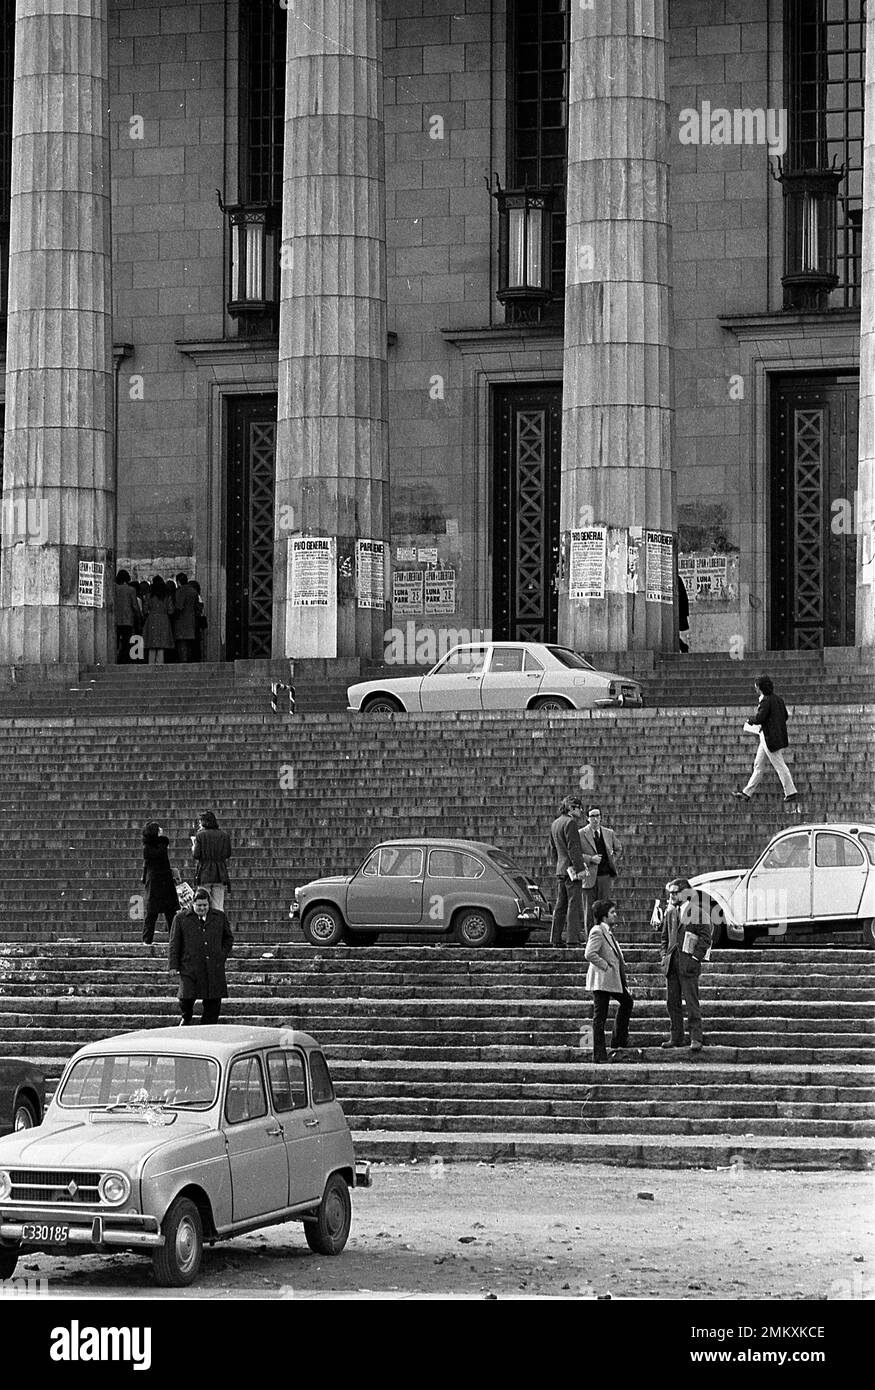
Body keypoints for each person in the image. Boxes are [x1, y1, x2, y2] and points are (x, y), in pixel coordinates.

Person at [660, 877, 712, 1053]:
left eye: (676, 892)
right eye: (671, 893)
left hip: (688, 963)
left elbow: (706, 938)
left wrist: (696, 958)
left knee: (691, 1001)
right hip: (672, 963)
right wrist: (664, 956)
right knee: (672, 1002)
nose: (672, 896)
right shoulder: (670, 913)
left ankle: (696, 1037)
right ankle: (676, 1036)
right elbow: (664, 938)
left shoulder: (698, 912)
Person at [169, 887, 234, 1026]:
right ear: (193, 904)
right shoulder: (180, 918)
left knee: (213, 1001)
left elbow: (228, 938)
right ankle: (186, 1016)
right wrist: (173, 965)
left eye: (205, 905)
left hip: (213, 967)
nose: (202, 908)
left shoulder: (219, 917)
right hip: (190, 967)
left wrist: (221, 954)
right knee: (185, 998)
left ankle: (208, 1027)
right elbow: (174, 943)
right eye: (199, 905)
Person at [733, 673, 798, 804]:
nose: (755, 688)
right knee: (758, 765)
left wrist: (749, 720)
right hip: (771, 737)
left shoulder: (765, 701)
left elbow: (759, 718)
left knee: (779, 765)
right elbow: (784, 716)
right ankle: (747, 793)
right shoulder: (778, 699)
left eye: (756, 686)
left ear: (760, 687)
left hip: (769, 738)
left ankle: (791, 792)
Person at [584, 899, 634, 1063]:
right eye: (612, 912)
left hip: (611, 978)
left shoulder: (607, 931)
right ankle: (599, 1054)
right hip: (602, 979)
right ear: (604, 916)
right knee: (600, 1017)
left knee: (626, 1002)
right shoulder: (597, 931)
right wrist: (605, 966)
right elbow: (590, 953)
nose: (615, 915)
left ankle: (618, 1039)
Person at [548, 796, 587, 947]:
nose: (581, 811)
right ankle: (572, 938)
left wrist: (559, 864)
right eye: (579, 808)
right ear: (571, 808)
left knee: (560, 905)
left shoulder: (555, 823)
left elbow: (553, 849)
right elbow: (574, 848)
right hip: (571, 870)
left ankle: (555, 937)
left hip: (561, 868)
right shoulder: (570, 823)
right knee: (573, 904)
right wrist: (580, 869)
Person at [141, 821, 180, 954]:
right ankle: (147, 939)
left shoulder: (152, 846)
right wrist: (163, 840)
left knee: (169, 913)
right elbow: (159, 853)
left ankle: (173, 938)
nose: (162, 830)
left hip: (161, 881)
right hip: (157, 882)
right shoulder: (151, 847)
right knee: (153, 913)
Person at [579, 806, 622, 905]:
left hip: (604, 876)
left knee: (604, 907)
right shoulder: (580, 834)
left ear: (601, 817)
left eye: (597, 816)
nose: (595, 819)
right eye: (592, 816)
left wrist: (611, 860)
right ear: (587, 818)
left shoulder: (608, 833)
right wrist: (590, 859)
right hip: (589, 877)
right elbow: (575, 854)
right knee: (589, 910)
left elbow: (618, 849)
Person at [192, 810, 232, 911]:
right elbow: (228, 854)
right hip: (220, 872)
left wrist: (193, 846)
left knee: (204, 903)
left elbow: (196, 854)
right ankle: (218, 925)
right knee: (218, 905)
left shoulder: (200, 835)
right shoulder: (224, 835)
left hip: (204, 872)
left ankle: (206, 925)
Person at [142, 576, 175, 664]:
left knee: (151, 645)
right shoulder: (167, 596)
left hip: (152, 619)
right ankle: (160, 666)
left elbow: (145, 610)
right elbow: (171, 610)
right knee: (161, 645)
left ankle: (151, 666)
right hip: (164, 620)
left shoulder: (149, 595)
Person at [114, 569, 140, 664]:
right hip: (127, 619)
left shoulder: (114, 589)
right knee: (126, 642)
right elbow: (135, 606)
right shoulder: (131, 590)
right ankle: (125, 661)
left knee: (115, 642)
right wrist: (139, 617)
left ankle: (115, 659)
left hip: (115, 619)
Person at [173, 572, 199, 663]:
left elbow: (179, 606)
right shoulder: (193, 591)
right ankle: (189, 661)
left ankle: (183, 662)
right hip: (191, 619)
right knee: (189, 644)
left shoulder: (180, 591)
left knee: (182, 643)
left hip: (181, 620)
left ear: (178, 582)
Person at [678, 572, 690, 653]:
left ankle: (683, 646)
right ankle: (683, 646)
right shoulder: (677, 579)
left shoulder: (676, 579)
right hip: (680, 612)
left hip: (679, 612)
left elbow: (683, 598)